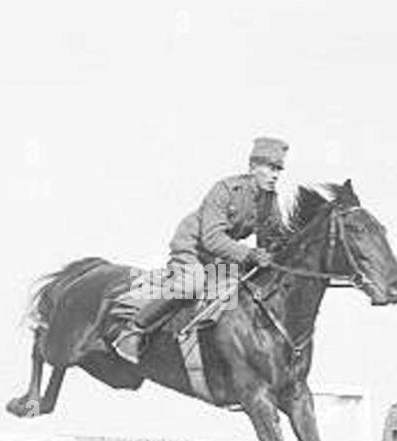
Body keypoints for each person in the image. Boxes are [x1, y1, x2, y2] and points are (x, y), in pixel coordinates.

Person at [112, 136, 288, 363]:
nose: (275, 175)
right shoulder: (226, 189)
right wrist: (250, 255)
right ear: (253, 167)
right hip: (193, 247)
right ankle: (133, 331)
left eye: (278, 170)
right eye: (270, 168)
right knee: (191, 284)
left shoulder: (269, 200)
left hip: (219, 255)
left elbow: (273, 238)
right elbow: (212, 238)